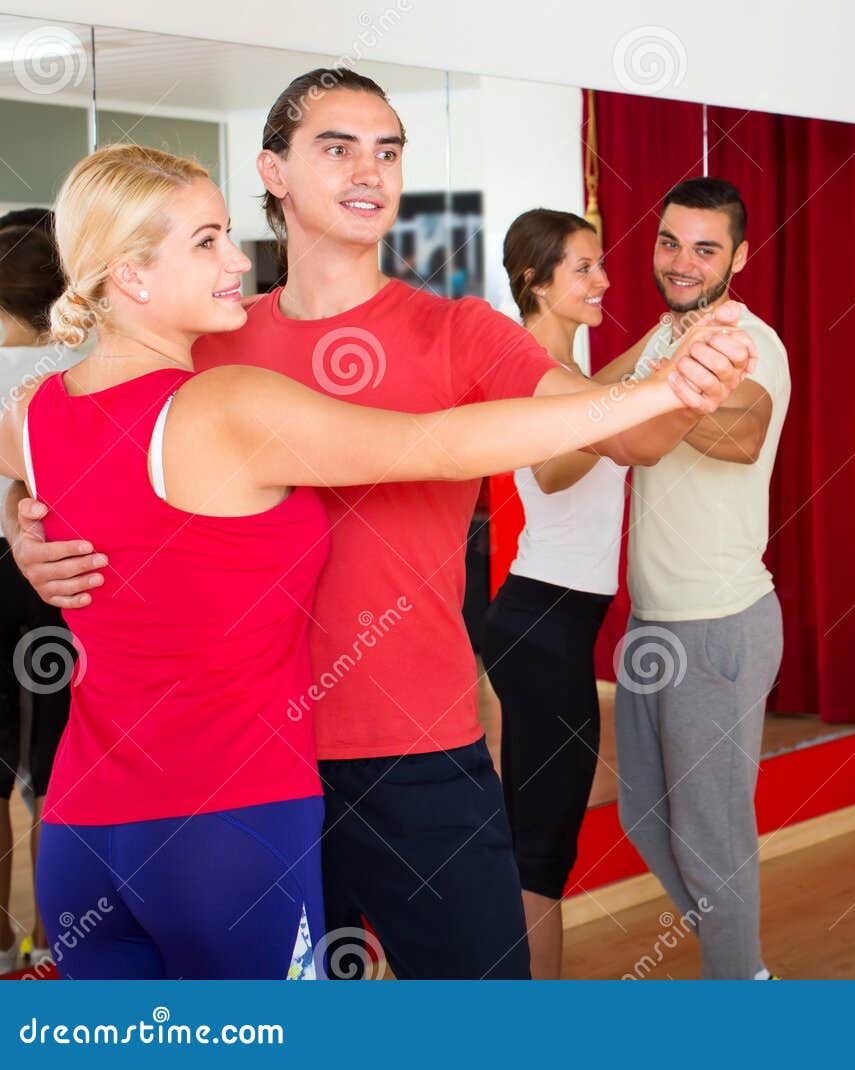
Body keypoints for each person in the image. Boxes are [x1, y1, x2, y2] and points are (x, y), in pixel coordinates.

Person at [2, 69, 758, 982]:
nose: (370, 172)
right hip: (255, 773)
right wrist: (28, 523)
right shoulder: (204, 336)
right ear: (273, 172)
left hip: (413, 753)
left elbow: (625, 438)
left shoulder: (461, 332)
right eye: (338, 148)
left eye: (389, 152)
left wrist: (674, 390)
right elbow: (80, 435)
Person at [591, 177, 790, 980]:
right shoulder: (665, 340)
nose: (682, 261)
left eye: (705, 249)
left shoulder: (747, 339)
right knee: (645, 817)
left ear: (737, 258)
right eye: (670, 242)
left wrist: (656, 394)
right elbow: (586, 402)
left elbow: (743, 436)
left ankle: (740, 986)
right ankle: (741, 966)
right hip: (654, 622)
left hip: (718, 623)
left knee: (713, 840)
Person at [480, 208, 626, 978]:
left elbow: (598, 398)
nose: (603, 280)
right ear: (537, 282)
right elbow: (552, 467)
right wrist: (639, 403)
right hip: (543, 628)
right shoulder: (535, 370)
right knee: (544, 846)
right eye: (584, 267)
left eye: (600, 264)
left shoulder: (568, 375)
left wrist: (650, 363)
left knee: (535, 837)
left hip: (547, 622)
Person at [0, 208, 81, 975]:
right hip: (66, 570)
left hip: (17, 567)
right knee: (60, 772)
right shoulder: (90, 366)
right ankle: (59, 950)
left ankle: (6, 953)